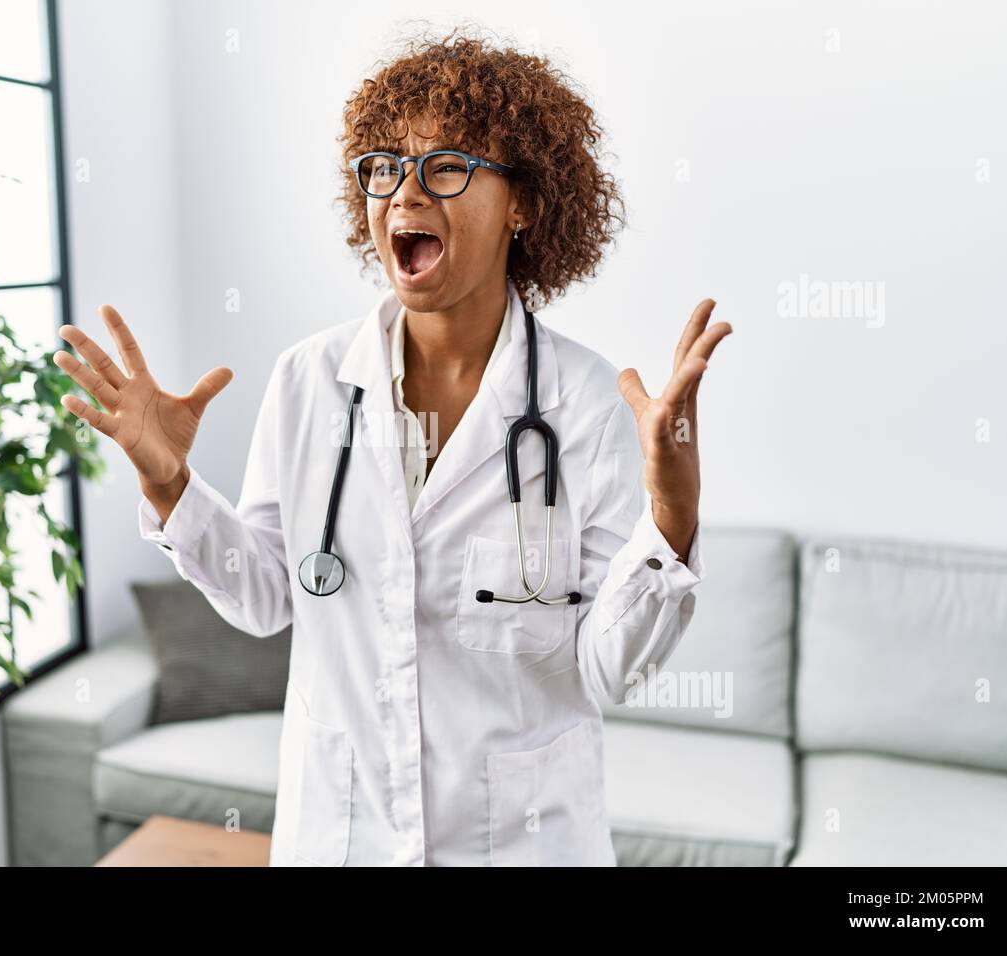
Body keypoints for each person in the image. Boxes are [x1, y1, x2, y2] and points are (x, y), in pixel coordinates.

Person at [52, 29, 731, 866]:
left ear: (523, 204)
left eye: (446, 165)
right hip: (344, 839)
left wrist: (672, 515)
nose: (404, 191)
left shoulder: (589, 406)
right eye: (383, 166)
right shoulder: (309, 381)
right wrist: (171, 486)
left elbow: (610, 671)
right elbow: (267, 596)